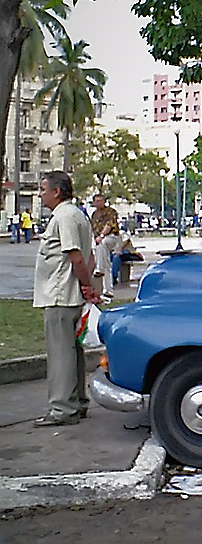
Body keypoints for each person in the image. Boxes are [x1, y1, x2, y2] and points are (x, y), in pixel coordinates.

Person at [33, 171, 101, 427]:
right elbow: (89, 256)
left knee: (61, 354)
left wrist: (87, 286)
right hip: (67, 294)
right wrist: (87, 286)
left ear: (56, 192)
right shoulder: (77, 215)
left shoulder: (64, 216)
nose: (40, 195)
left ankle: (63, 408)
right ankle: (77, 401)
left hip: (60, 295)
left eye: (43, 189)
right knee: (73, 352)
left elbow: (78, 258)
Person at [90, 193, 121, 302]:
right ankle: (108, 290)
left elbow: (109, 226)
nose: (99, 203)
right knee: (106, 262)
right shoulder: (94, 214)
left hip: (111, 237)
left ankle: (99, 268)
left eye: (101, 200)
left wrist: (101, 236)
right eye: (97, 201)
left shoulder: (111, 212)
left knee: (102, 244)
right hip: (99, 241)